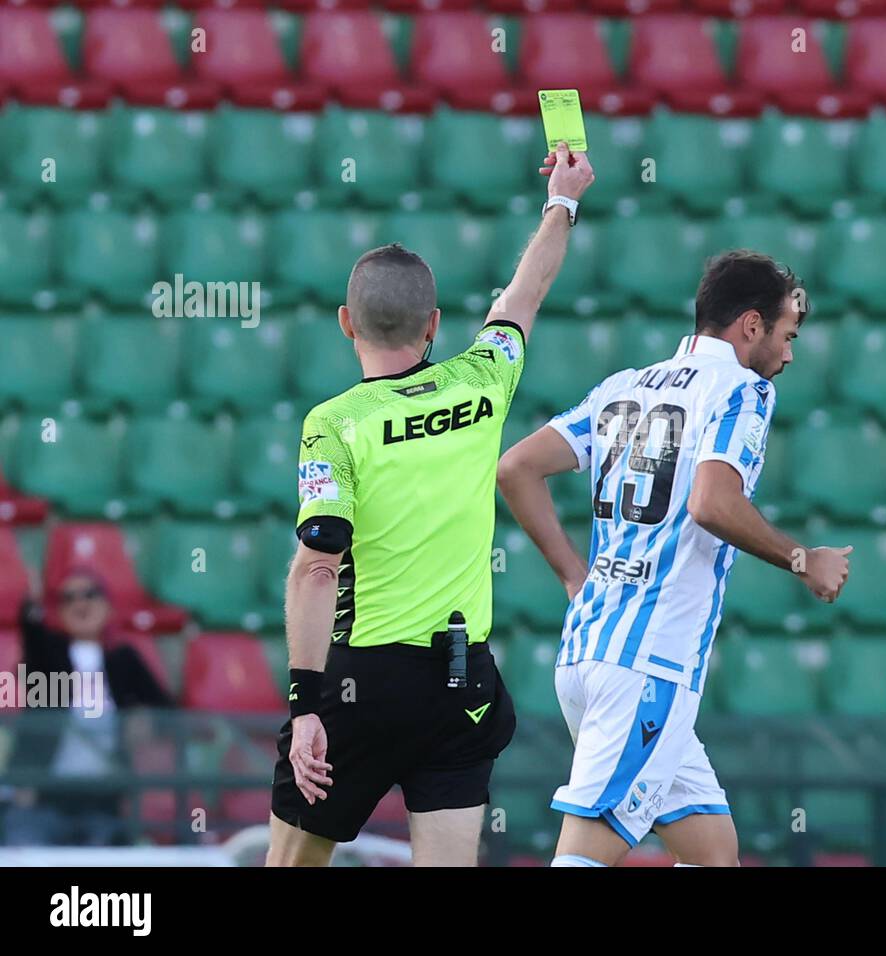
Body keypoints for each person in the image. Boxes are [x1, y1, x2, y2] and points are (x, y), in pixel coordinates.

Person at [265, 142, 595, 867]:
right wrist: (562, 199)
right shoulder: (481, 384)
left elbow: (318, 569)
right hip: (461, 680)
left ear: (347, 322)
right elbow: (522, 297)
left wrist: (306, 705)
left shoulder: (335, 423)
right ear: (434, 324)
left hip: (363, 683)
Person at [497, 250, 853, 867]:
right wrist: (804, 559)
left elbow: (516, 467)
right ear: (750, 324)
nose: (790, 353)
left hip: (588, 651)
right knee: (584, 856)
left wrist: (573, 575)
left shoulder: (624, 385)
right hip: (647, 666)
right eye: (787, 334)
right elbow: (712, 502)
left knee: (714, 852)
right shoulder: (744, 389)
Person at [5, 569, 172, 847]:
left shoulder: (123, 659)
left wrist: (142, 720)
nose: (80, 604)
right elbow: (32, 639)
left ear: (107, 605)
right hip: (42, 798)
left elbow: (166, 711)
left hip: (102, 800)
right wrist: (31, 604)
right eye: (68, 598)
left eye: (90, 595)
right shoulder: (50, 653)